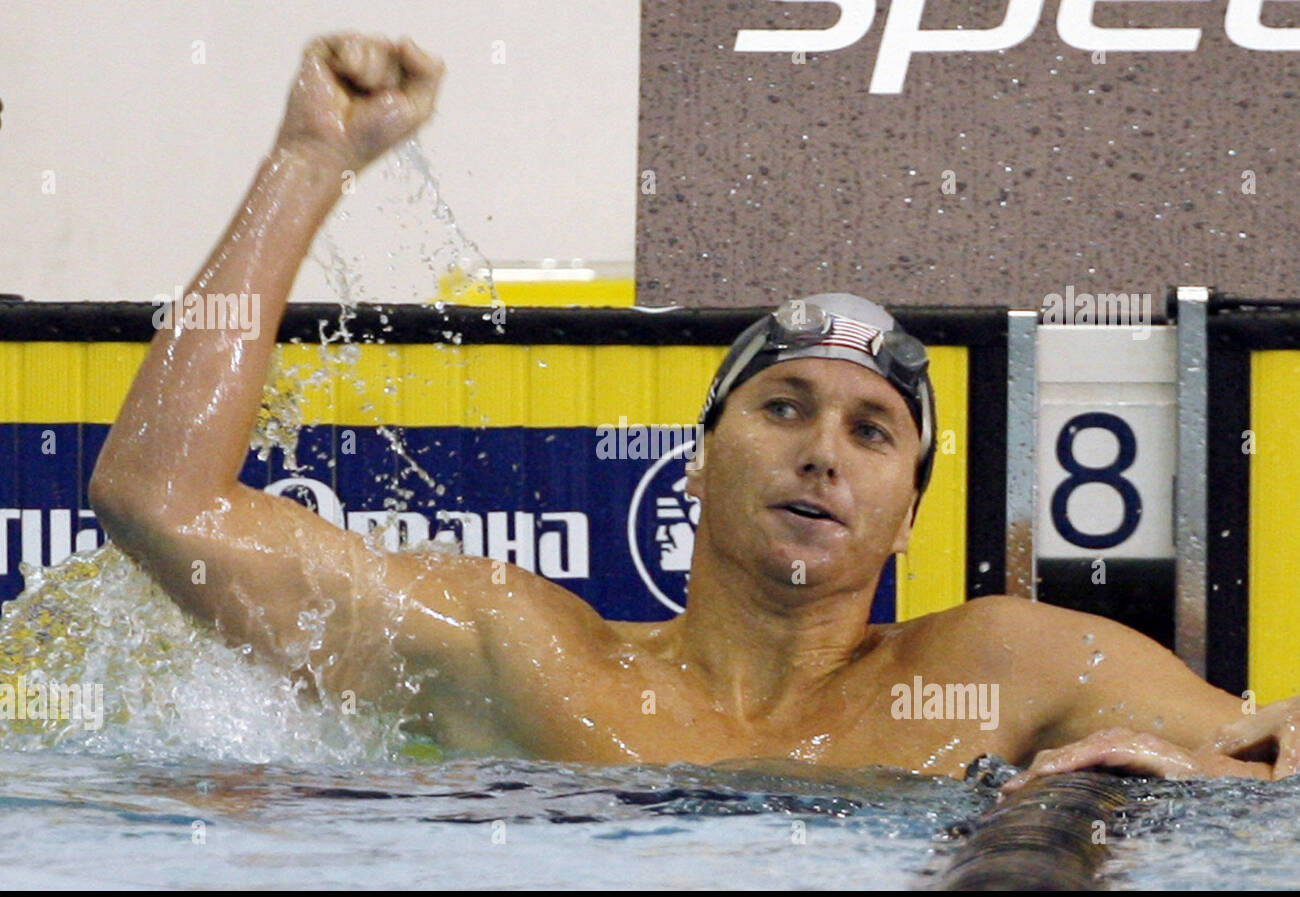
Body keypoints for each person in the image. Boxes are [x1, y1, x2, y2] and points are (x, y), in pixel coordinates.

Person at [88, 33, 1300, 788]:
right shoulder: (522, 654)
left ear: (908, 509)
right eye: (783, 406)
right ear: (695, 459)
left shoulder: (1003, 664)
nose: (823, 450)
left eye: (872, 431)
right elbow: (157, 498)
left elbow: (1283, 743)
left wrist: (1199, 773)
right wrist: (308, 158)